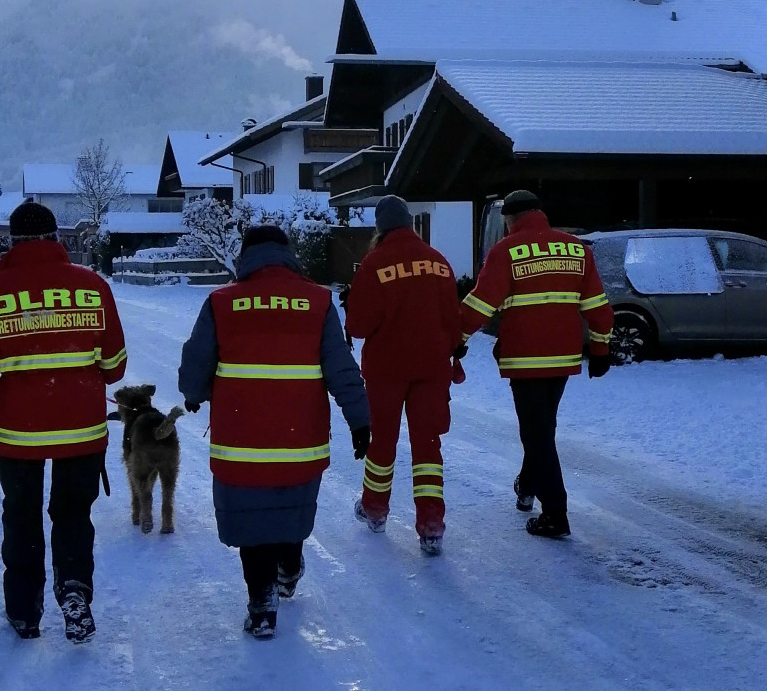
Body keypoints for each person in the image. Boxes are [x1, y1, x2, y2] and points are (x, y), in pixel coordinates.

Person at [0, 201, 127, 642]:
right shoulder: (92, 286)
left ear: (13, 241)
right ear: (55, 239)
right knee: (73, 514)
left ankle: (24, 611)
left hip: (17, 433)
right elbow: (115, 365)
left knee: (21, 516)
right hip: (82, 429)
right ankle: (75, 591)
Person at [178, 225, 370, 639]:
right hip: (300, 440)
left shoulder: (222, 302)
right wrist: (361, 420)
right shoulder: (318, 302)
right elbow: (340, 367)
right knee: (290, 506)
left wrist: (193, 393)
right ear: (288, 255)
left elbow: (197, 359)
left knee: (251, 519)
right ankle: (288, 564)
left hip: (240, 443)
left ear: (246, 257)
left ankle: (262, 599)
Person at [459, 190, 613, 538]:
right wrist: (601, 350)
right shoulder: (576, 249)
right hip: (564, 357)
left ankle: (555, 513)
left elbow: (480, 305)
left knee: (536, 433)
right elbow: (599, 307)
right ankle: (527, 485)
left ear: (510, 220)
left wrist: (457, 341)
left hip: (525, 358)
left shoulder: (506, 251)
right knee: (542, 428)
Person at [343, 195, 463, 556]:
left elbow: (359, 326)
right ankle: (431, 526)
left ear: (380, 227)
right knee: (428, 447)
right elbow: (452, 321)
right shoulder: (438, 262)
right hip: (431, 368)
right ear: (409, 223)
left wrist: (353, 302)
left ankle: (375, 510)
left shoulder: (374, 264)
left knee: (382, 442)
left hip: (386, 370)